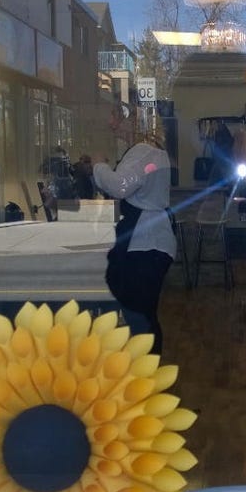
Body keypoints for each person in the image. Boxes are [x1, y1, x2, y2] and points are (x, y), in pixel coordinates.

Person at [93, 129, 175, 354]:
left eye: (115, 117)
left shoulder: (144, 152)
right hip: (152, 242)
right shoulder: (153, 153)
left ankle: (145, 367)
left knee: (139, 315)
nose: (111, 124)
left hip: (145, 245)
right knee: (144, 313)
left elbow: (120, 185)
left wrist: (99, 165)